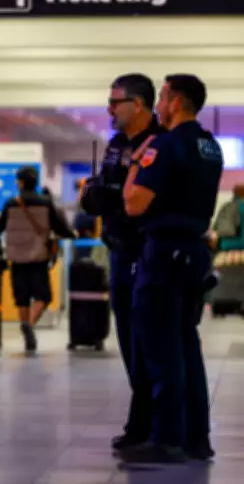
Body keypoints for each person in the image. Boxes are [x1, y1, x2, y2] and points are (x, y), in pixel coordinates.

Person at [119, 74, 221, 464]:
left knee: (161, 350)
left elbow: (134, 203)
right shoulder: (210, 146)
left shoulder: (163, 145)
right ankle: (197, 437)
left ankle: (166, 438)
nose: (158, 105)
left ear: (176, 102)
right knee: (186, 345)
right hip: (194, 252)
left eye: (162, 97)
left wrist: (134, 163)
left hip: (163, 255)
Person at [81, 73, 163, 453]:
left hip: (146, 252)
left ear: (139, 104)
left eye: (116, 101)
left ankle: (152, 423)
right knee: (129, 340)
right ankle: (141, 419)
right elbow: (95, 197)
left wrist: (108, 193)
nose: (109, 108)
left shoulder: (158, 144)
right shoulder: (115, 146)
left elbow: (136, 200)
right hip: (118, 249)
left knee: (149, 339)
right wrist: (107, 193)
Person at [0, 167, 74, 352]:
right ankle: (29, 324)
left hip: (16, 257)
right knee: (43, 296)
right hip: (38, 257)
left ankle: (25, 326)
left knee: (21, 298)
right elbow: (60, 227)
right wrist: (72, 234)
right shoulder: (45, 203)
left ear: (20, 183)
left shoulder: (11, 204)